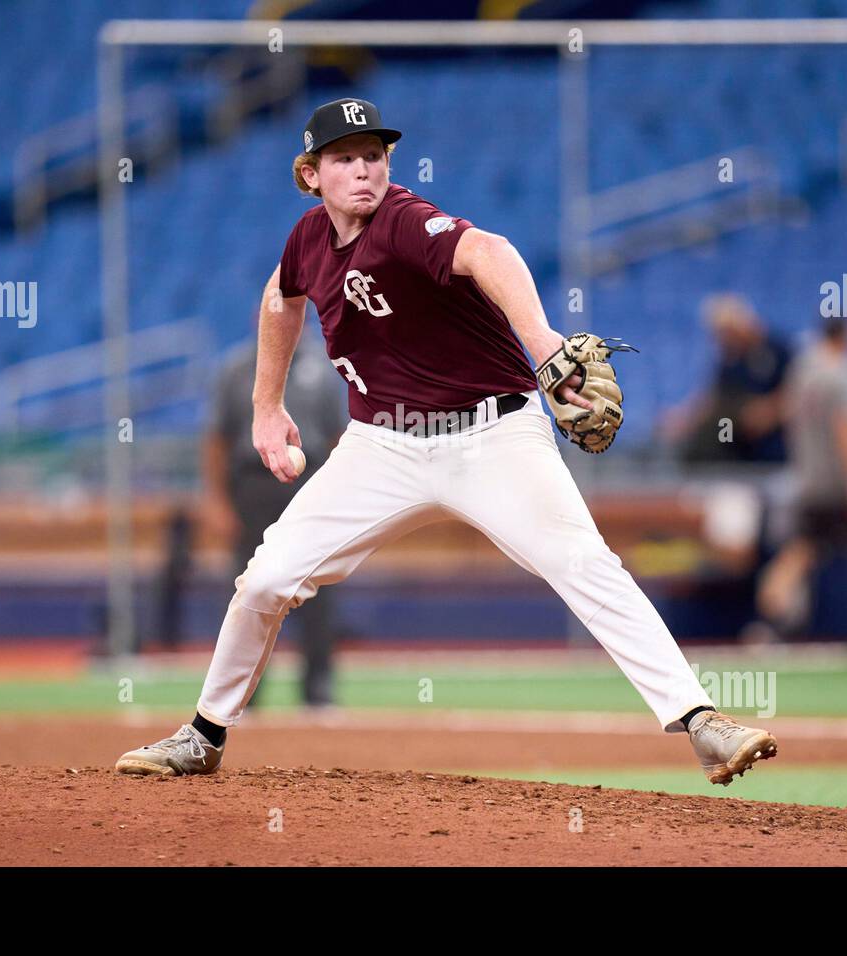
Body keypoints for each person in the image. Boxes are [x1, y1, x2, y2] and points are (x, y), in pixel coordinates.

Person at [115, 98, 778, 786]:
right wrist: (265, 405)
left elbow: (490, 250)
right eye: (345, 158)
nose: (364, 170)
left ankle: (701, 721)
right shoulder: (306, 241)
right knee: (268, 577)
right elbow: (281, 297)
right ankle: (204, 734)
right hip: (382, 446)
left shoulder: (403, 222)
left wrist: (544, 343)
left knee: (583, 562)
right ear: (310, 174)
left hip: (492, 433)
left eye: (374, 155)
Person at [203, 323, 348, 706]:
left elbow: (338, 437)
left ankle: (318, 688)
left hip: (310, 485)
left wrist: (339, 494)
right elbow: (217, 439)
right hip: (254, 488)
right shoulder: (237, 369)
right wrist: (218, 501)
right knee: (248, 586)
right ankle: (240, 697)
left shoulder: (323, 367)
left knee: (317, 585)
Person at [756, 316, 847, 637]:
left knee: (802, 549)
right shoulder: (842, 373)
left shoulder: (803, 370)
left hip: (809, 480)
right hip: (838, 484)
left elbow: (786, 417)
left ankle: (769, 621)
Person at [660, 294, 792, 464]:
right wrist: (684, 418)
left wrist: (771, 411)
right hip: (744, 443)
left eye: (726, 332)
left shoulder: (778, 349)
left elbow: (799, 389)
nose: (723, 340)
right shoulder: (730, 360)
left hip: (778, 444)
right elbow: (714, 397)